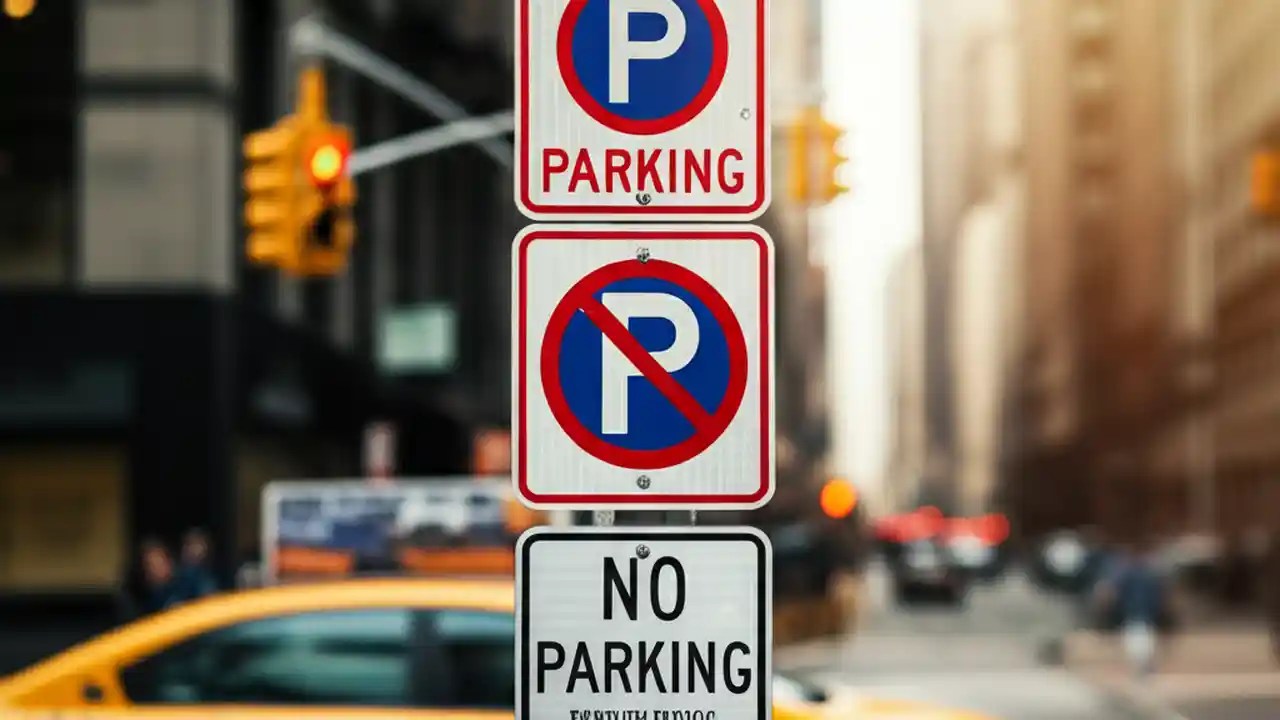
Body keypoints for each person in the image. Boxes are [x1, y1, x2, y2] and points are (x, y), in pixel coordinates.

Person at [1093, 538, 1171, 679]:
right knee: (1139, 638)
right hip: (1137, 612)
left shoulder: (1140, 573)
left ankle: (1142, 668)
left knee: (1140, 638)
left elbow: (1109, 592)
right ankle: (1141, 668)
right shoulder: (1138, 573)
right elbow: (1109, 592)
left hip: (1139, 612)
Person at [137, 540, 183, 615]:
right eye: (150, 565)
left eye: (159, 562)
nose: (155, 569)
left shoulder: (187, 586)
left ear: (169, 562)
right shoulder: (147, 601)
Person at [175, 528, 219, 602]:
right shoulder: (177, 578)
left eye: (195, 545)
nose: (190, 550)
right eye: (187, 545)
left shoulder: (207, 582)